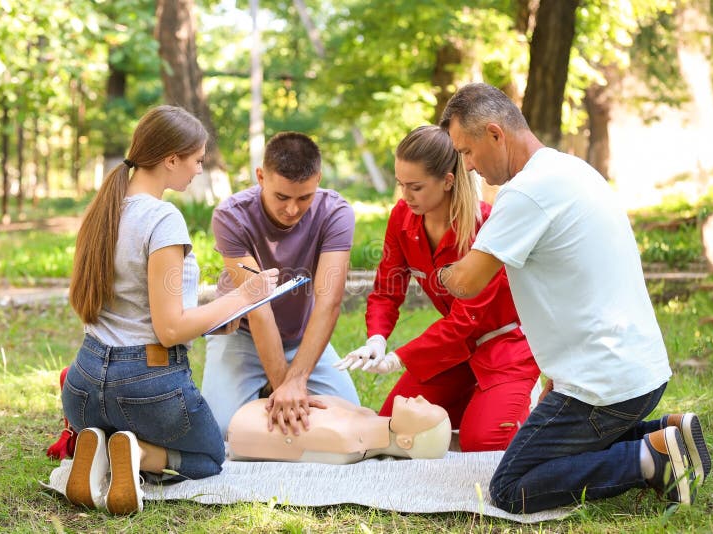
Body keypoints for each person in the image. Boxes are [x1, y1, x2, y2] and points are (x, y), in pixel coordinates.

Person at [437, 82, 711, 513]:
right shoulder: (571, 169)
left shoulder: (525, 191)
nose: (468, 167)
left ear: (495, 133)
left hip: (604, 387)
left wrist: (434, 264)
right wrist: (556, 376)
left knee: (510, 487)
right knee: (551, 451)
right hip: (639, 373)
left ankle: (651, 457)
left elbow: (467, 282)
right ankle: (666, 432)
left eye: (467, 151)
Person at [60, 105, 280, 515]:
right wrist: (244, 296)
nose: (199, 169)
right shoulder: (162, 218)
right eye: (197, 160)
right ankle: (135, 454)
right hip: (146, 389)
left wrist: (219, 314)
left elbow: (137, 309)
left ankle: (104, 448)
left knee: (117, 415)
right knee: (210, 457)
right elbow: (169, 329)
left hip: (83, 388)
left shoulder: (103, 211)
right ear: (171, 159)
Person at [334, 125, 540, 452]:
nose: (405, 196)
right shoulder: (403, 217)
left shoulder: (485, 226)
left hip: (506, 345)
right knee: (393, 424)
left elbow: (465, 321)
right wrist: (376, 338)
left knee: (484, 443)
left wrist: (398, 358)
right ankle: (480, 400)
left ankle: (517, 399)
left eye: (415, 187)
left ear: (447, 180)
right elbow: (387, 290)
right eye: (401, 185)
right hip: (454, 351)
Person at [202, 131, 360, 438]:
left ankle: (268, 390)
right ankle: (262, 387)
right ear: (261, 177)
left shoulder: (336, 213)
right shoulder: (231, 216)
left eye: (304, 198)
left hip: (300, 339)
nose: (292, 210)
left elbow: (328, 303)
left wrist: (296, 381)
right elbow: (258, 309)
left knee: (350, 419)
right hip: (242, 336)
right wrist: (282, 387)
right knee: (220, 431)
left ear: (318, 179)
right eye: (281, 197)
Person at [227, 395, 451, 464]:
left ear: (405, 442)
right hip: (259, 408)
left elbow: (289, 437)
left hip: (245, 424)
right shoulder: (364, 418)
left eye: (426, 409)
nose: (422, 398)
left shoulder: (346, 441)